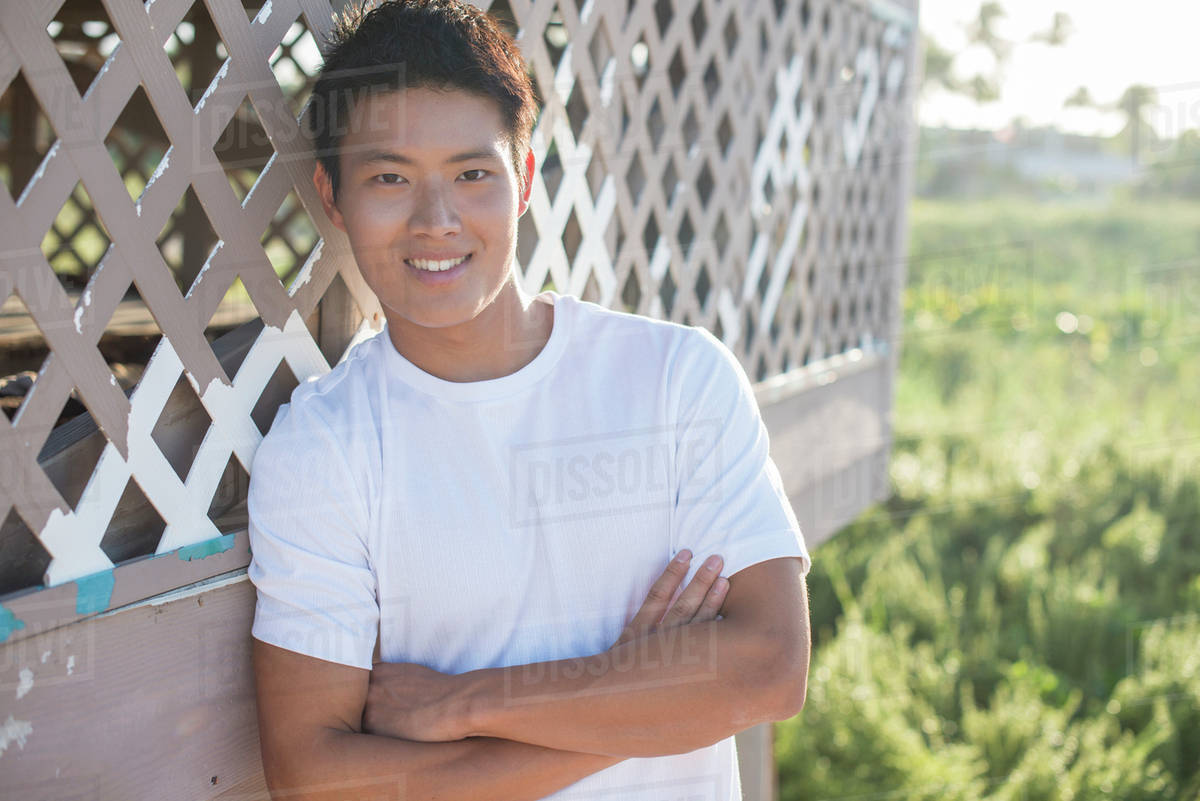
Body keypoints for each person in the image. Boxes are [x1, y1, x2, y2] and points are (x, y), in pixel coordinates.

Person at [246, 1, 813, 799]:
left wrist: (462, 701)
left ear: (522, 181)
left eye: (472, 174)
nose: (436, 221)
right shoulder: (322, 447)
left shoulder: (675, 378)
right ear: (333, 197)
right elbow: (317, 782)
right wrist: (639, 699)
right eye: (389, 177)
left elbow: (768, 670)